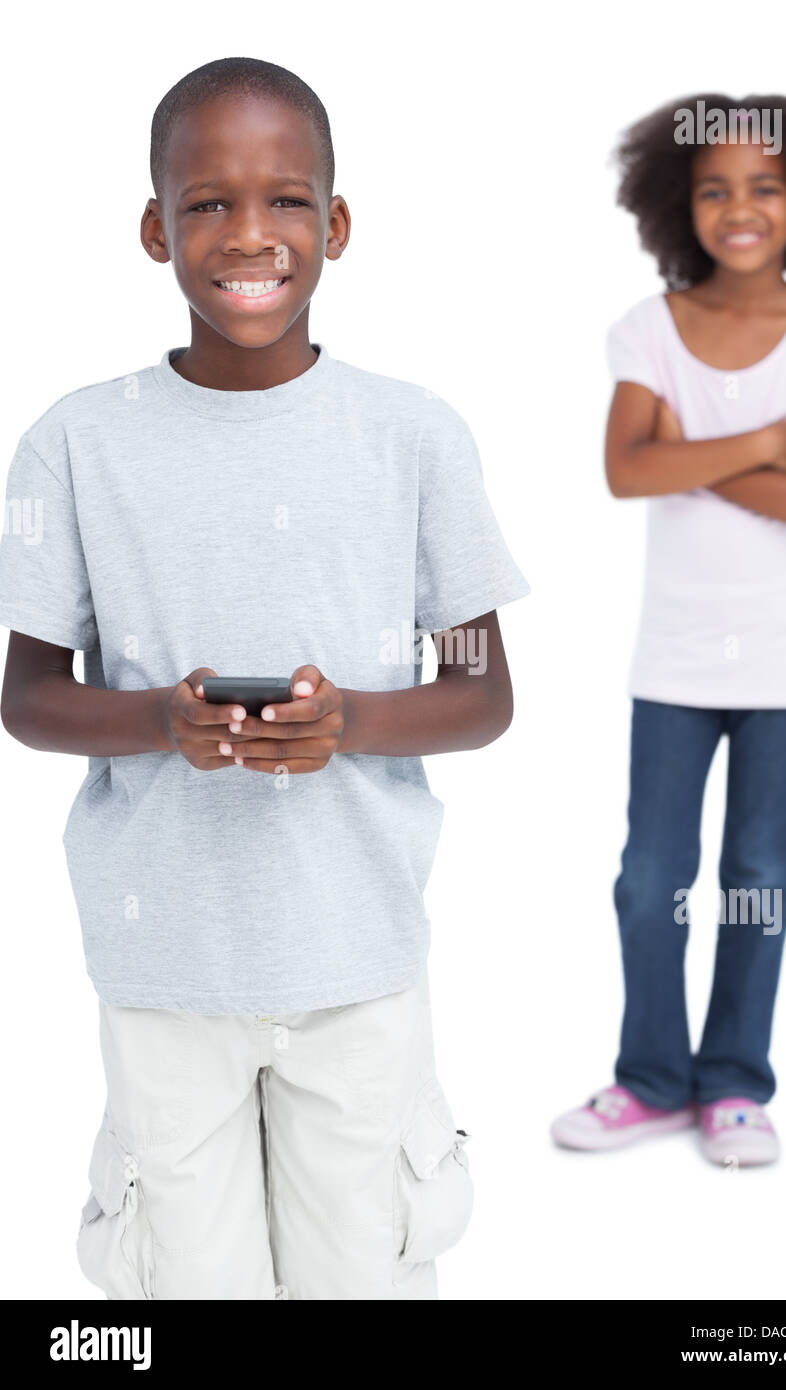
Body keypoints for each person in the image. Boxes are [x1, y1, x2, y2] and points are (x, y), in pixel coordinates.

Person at [0, 57, 529, 1298]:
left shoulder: (412, 435)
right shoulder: (76, 440)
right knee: (188, 1280)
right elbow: (26, 691)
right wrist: (155, 722)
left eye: (286, 201)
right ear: (154, 227)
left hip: (356, 958)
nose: (249, 235)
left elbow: (483, 689)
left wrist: (346, 723)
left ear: (334, 225)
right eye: (206, 203)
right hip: (166, 967)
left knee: (362, 1272)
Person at [551, 94, 786, 1166]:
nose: (738, 206)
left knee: (757, 878)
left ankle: (733, 1082)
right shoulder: (644, 330)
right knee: (649, 878)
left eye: (764, 187)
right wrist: (762, 440)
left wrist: (700, 445)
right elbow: (621, 470)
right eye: (713, 187)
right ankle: (649, 1078)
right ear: (676, 204)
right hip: (672, 663)